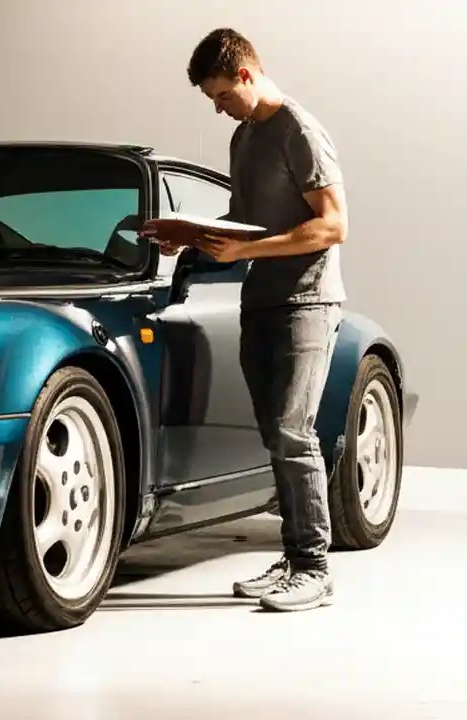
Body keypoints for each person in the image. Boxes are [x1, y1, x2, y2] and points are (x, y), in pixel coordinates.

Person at [141, 28, 348, 612]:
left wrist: (246, 253)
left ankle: (313, 567)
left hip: (307, 301)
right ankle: (293, 554)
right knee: (274, 436)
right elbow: (246, 221)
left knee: (292, 430)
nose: (217, 107)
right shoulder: (244, 136)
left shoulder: (299, 131)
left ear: (247, 76)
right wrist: (193, 236)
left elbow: (333, 225)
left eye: (221, 95)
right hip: (260, 302)